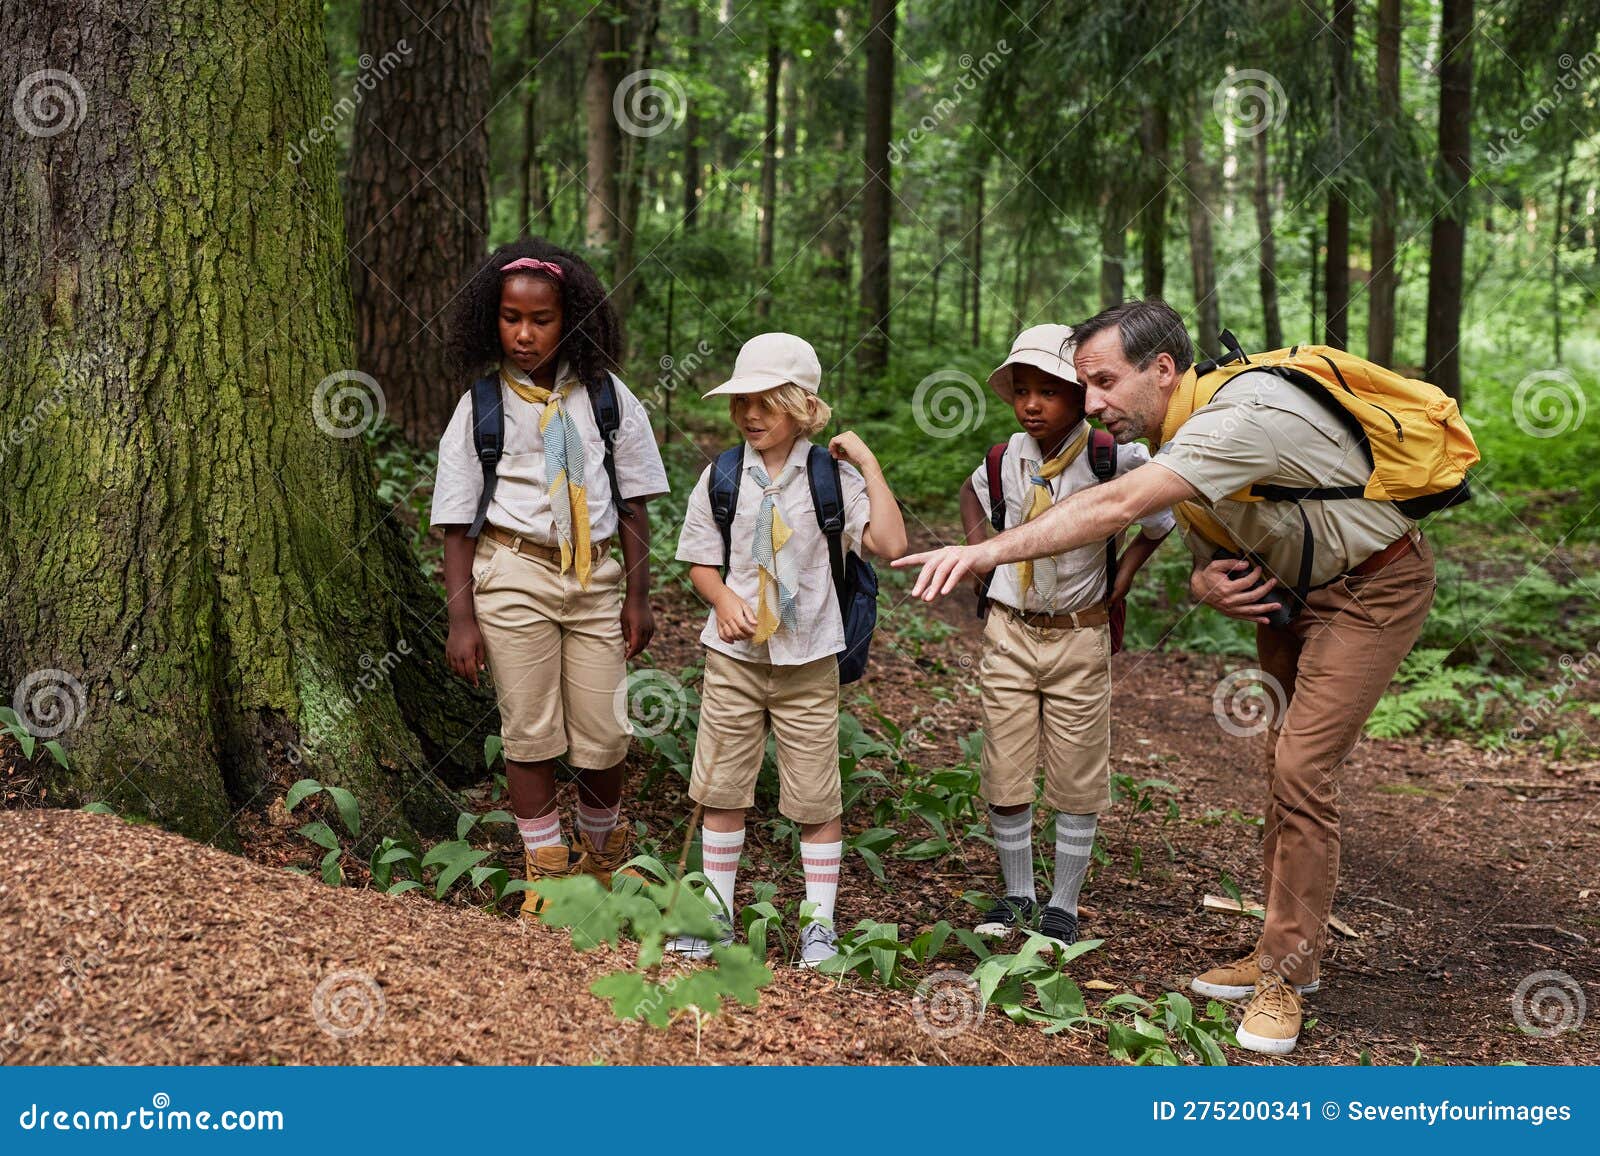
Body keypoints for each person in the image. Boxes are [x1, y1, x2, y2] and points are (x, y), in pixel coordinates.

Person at [895, 299, 1440, 1056]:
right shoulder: (1171, 433)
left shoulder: (1230, 421)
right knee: (1283, 772)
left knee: (1301, 770)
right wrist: (1203, 585)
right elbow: (1212, 540)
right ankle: (1278, 951)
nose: (1091, 404)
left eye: (1105, 383)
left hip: (1372, 589)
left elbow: (1117, 505)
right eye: (1083, 387)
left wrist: (984, 553)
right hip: (1288, 593)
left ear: (1162, 368)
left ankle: (1288, 975)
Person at [432, 238, 669, 912]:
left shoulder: (606, 399)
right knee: (530, 729)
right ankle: (546, 868)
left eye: (541, 319)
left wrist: (639, 597)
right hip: (512, 572)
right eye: (511, 318)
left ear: (572, 319)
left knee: (606, 730)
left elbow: (633, 504)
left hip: (594, 578)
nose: (525, 334)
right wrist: (462, 619)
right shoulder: (479, 406)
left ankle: (602, 857)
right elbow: (455, 523)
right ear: (491, 318)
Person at [668, 333, 907, 967]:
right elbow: (699, 561)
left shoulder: (831, 478)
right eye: (742, 402)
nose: (750, 415)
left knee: (814, 796)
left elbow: (888, 541)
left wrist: (870, 466)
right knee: (721, 788)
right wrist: (721, 601)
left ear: (803, 408)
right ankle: (715, 915)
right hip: (735, 661)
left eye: (767, 404)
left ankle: (817, 925)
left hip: (808, 661)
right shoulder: (722, 475)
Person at [959, 324, 1173, 948]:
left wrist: (1122, 579)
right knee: (1005, 762)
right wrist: (983, 558)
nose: (1031, 405)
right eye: (1021, 391)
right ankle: (1018, 893)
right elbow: (971, 496)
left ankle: (1064, 902)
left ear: (1081, 395)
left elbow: (1159, 520)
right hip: (1009, 630)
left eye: (1049, 392)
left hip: (1080, 633)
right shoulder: (1005, 458)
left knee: (1078, 772)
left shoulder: (1115, 459)